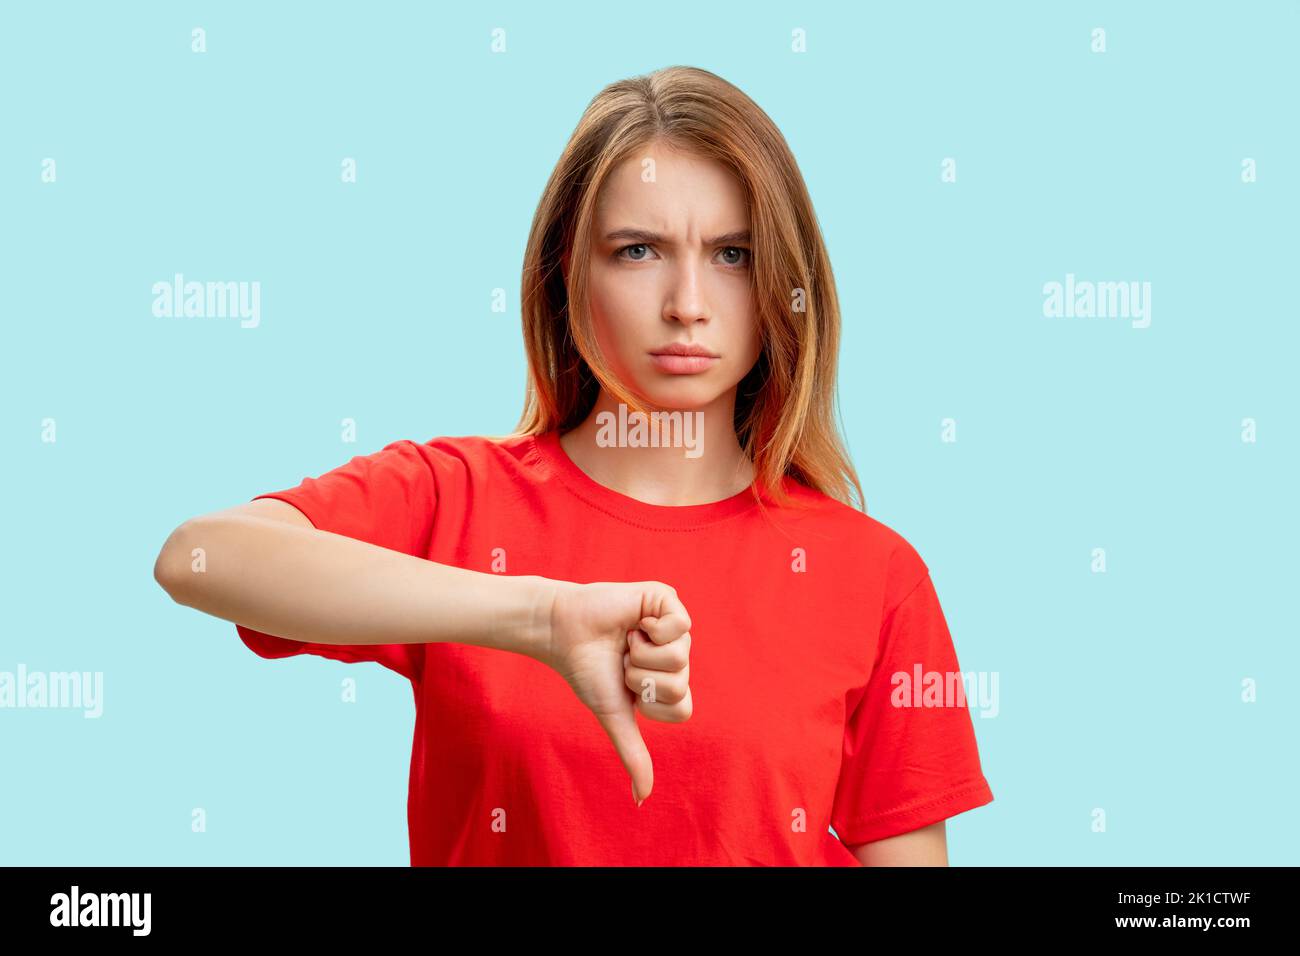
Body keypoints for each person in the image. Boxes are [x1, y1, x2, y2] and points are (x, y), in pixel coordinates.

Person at [153, 65, 993, 866]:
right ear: (566, 274)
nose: (688, 304)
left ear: (783, 279)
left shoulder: (878, 577)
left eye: (733, 254)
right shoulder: (458, 501)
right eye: (638, 251)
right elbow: (198, 557)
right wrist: (540, 619)